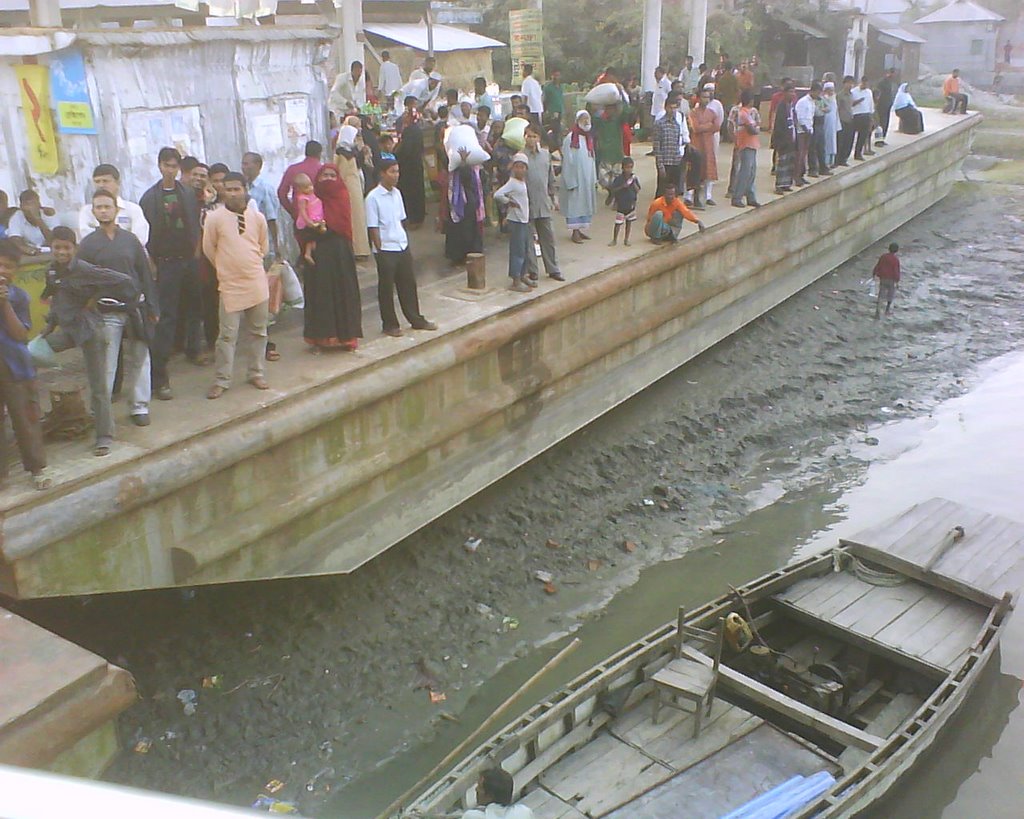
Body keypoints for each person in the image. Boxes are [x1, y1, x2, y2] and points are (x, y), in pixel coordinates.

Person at [42, 226, 138, 456]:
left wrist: (95, 298)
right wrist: (46, 330)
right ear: (51, 249)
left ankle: (104, 436)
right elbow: (55, 302)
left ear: (74, 249)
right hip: (67, 330)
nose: (62, 252)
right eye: (57, 248)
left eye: (66, 248)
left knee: (98, 387)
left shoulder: (83, 269)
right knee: (28, 355)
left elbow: (121, 279)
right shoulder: (51, 272)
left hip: (89, 330)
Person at [77, 189, 157, 427]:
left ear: (116, 210)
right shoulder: (88, 244)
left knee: (140, 360)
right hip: (105, 312)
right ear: (93, 212)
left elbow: (145, 273)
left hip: (135, 308)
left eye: (107, 206)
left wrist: (153, 306)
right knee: (106, 365)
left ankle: (139, 406)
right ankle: (102, 413)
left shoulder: (130, 240)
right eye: (98, 207)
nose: (103, 210)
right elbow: (80, 279)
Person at [139, 146, 201, 400]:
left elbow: (195, 224)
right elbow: (145, 237)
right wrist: (152, 263)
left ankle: (193, 351)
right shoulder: (149, 198)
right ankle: (159, 378)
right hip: (165, 263)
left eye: (174, 166)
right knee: (166, 319)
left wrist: (195, 252)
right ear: (159, 166)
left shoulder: (186, 193)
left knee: (193, 310)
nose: (170, 170)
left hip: (188, 260)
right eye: (166, 165)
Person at [202, 173, 270, 398]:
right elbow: (209, 250)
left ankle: (256, 373)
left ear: (245, 189)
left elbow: (263, 247)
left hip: (256, 282)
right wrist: (226, 268)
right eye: (228, 189)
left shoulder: (257, 217)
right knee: (227, 336)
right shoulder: (214, 218)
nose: (232, 193)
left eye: (236, 189)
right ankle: (222, 380)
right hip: (230, 285)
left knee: (259, 332)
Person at [0, 239, 51, 489]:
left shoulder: (19, 296)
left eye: (8, 267)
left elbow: (20, 334)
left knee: (26, 417)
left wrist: (4, 302)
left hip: (16, 367)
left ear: (16, 270)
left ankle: (36, 469)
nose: (2, 271)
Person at [365, 159, 437, 336]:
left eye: (397, 171)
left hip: (401, 244)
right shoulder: (373, 198)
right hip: (386, 248)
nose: (396, 175)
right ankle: (390, 324)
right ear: (382, 173)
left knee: (408, 285)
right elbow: (373, 227)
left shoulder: (397, 193)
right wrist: (380, 249)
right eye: (392, 172)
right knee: (387, 289)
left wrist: (405, 241)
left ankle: (415, 319)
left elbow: (401, 219)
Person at [299, 164, 363, 351]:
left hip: (340, 252)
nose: (327, 179)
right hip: (318, 254)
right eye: (324, 175)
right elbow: (303, 224)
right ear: (317, 179)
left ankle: (347, 337)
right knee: (320, 294)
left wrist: (324, 228)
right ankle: (320, 339)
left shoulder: (342, 196)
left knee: (344, 292)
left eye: (332, 175)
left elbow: (342, 225)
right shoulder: (311, 198)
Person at [523, 125, 564, 281]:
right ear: (524, 138)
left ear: (539, 138)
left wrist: (554, 198)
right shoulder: (520, 157)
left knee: (548, 238)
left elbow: (550, 180)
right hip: (527, 203)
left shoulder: (545, 155)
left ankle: (553, 269)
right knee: (529, 240)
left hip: (543, 202)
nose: (531, 139)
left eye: (534, 136)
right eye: (528, 136)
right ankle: (532, 270)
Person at [78, 164, 149, 245]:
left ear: (118, 183)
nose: (101, 185)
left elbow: (140, 239)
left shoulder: (133, 209)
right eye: (97, 181)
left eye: (105, 181)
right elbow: (87, 239)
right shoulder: (87, 211)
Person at [493, 153, 532, 292]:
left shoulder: (522, 182)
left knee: (525, 249)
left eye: (522, 167)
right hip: (516, 221)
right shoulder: (512, 183)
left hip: (524, 219)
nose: (520, 170)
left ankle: (522, 275)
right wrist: (509, 202)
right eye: (517, 167)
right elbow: (497, 194)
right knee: (518, 250)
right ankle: (516, 279)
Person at [559, 111, 598, 244]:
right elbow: (567, 161)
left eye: (588, 118)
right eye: (583, 119)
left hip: (586, 179)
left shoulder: (588, 138)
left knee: (584, 205)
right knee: (575, 205)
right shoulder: (571, 138)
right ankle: (574, 232)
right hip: (575, 179)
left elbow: (591, 158)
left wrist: (593, 178)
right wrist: (570, 180)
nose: (587, 121)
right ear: (577, 121)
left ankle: (580, 230)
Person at [334, 125, 372, 258]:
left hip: (349, 188)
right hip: (352, 188)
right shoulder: (348, 153)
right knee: (357, 219)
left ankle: (358, 249)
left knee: (356, 219)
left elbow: (339, 172)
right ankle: (360, 249)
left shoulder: (342, 153)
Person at [443, 149, 485, 265]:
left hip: (465, 203)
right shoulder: (457, 172)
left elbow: (467, 178)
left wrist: (463, 162)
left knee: (465, 229)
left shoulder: (469, 171)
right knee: (463, 230)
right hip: (463, 203)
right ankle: (461, 255)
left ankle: (463, 254)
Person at [241, 152, 280, 260]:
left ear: (258, 165)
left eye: (246, 164)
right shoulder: (245, 187)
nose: (243, 168)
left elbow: (271, 219)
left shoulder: (264, 188)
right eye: (242, 164)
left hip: (264, 242)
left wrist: (276, 247)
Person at [277, 140, 325, 224]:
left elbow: (281, 192)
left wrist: (292, 210)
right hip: (321, 216)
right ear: (319, 154)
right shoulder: (323, 170)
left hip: (300, 216)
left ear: (306, 152)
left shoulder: (293, 169)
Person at [461, 768, 534, 819]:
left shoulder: (471, 816)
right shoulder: (524, 812)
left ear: (489, 796)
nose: (476, 789)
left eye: (480, 787)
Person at [690, 86, 721, 205]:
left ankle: (708, 196)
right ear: (698, 98)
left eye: (708, 97)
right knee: (694, 171)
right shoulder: (693, 113)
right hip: (696, 144)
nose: (706, 100)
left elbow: (717, 126)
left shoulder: (712, 112)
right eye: (704, 97)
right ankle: (690, 196)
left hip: (708, 145)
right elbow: (695, 128)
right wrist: (708, 126)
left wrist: (704, 126)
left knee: (709, 170)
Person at [731, 90, 762, 209]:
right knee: (745, 172)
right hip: (746, 144)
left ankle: (751, 197)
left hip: (752, 144)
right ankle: (737, 197)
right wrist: (757, 129)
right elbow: (752, 129)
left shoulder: (749, 113)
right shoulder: (743, 114)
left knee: (751, 172)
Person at [7, 190, 57, 256]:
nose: (30, 208)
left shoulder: (49, 215)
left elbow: (53, 240)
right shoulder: (17, 217)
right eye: (27, 204)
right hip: (30, 254)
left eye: (33, 204)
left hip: (51, 251)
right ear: (21, 207)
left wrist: (38, 219)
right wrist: (25, 248)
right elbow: (15, 238)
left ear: (39, 204)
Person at [293, 173, 327, 266]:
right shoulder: (302, 198)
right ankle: (308, 254)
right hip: (307, 223)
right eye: (306, 188)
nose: (310, 188)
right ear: (299, 190)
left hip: (316, 219)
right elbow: (303, 212)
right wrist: (308, 222)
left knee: (314, 238)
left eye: (310, 185)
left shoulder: (312, 195)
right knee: (310, 238)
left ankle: (312, 253)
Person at [771, 82, 797, 194]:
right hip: (783, 140)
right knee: (782, 163)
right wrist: (781, 141)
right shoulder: (782, 106)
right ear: (785, 93)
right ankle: (779, 185)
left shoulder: (791, 106)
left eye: (794, 92)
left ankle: (787, 183)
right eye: (790, 92)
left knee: (790, 162)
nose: (793, 94)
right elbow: (779, 125)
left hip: (792, 138)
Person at [608, 157, 641, 245]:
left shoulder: (634, 178)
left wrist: (633, 184)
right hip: (621, 204)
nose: (629, 170)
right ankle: (614, 239)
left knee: (629, 223)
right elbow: (613, 190)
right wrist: (623, 186)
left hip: (631, 205)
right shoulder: (619, 179)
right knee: (618, 223)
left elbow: (638, 190)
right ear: (623, 168)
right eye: (627, 167)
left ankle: (626, 239)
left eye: (630, 167)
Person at [872, 242, 900, 319]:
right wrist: (897, 281)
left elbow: (878, 265)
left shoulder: (883, 257)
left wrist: (874, 273)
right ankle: (887, 310)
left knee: (881, 294)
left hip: (883, 278)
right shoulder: (895, 260)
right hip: (891, 280)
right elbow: (896, 271)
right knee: (890, 294)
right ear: (896, 251)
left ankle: (877, 311)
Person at [850, 76, 875, 160]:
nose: (865, 85)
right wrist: (858, 101)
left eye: (866, 83)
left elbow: (871, 105)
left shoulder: (869, 92)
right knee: (852, 136)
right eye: (863, 83)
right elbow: (850, 104)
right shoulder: (853, 92)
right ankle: (847, 154)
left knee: (863, 136)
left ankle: (858, 153)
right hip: (856, 115)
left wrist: (871, 117)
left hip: (866, 115)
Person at [836, 76, 856, 167]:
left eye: (851, 83)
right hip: (842, 120)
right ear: (844, 84)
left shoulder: (851, 95)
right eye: (848, 83)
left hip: (850, 120)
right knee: (841, 141)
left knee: (849, 141)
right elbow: (837, 108)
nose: (850, 85)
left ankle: (844, 159)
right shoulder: (840, 95)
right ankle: (837, 159)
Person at [542, 68, 565, 149]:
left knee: (559, 130)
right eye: (555, 75)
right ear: (551, 76)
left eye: (558, 75)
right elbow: (544, 100)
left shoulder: (560, 87)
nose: (556, 77)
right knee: (554, 130)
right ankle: (554, 147)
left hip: (560, 111)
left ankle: (559, 146)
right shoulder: (548, 87)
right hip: (552, 112)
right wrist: (546, 111)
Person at [821, 82, 840, 167]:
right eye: (830, 90)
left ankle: (832, 162)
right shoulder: (822, 99)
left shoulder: (834, 99)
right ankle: (825, 162)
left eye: (832, 90)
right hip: (825, 123)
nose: (831, 92)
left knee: (832, 142)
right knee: (826, 142)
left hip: (833, 123)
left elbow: (836, 112)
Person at [876, 69, 896, 144]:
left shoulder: (890, 82)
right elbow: (877, 93)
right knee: (880, 124)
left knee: (886, 123)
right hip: (881, 105)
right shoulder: (882, 82)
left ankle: (883, 139)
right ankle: (878, 140)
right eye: (892, 74)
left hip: (887, 105)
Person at [520, 63, 543, 127]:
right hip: (538, 109)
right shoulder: (535, 82)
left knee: (531, 128)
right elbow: (541, 95)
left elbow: (525, 96)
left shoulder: (526, 82)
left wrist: (523, 110)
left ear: (526, 71)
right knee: (538, 128)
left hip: (531, 110)